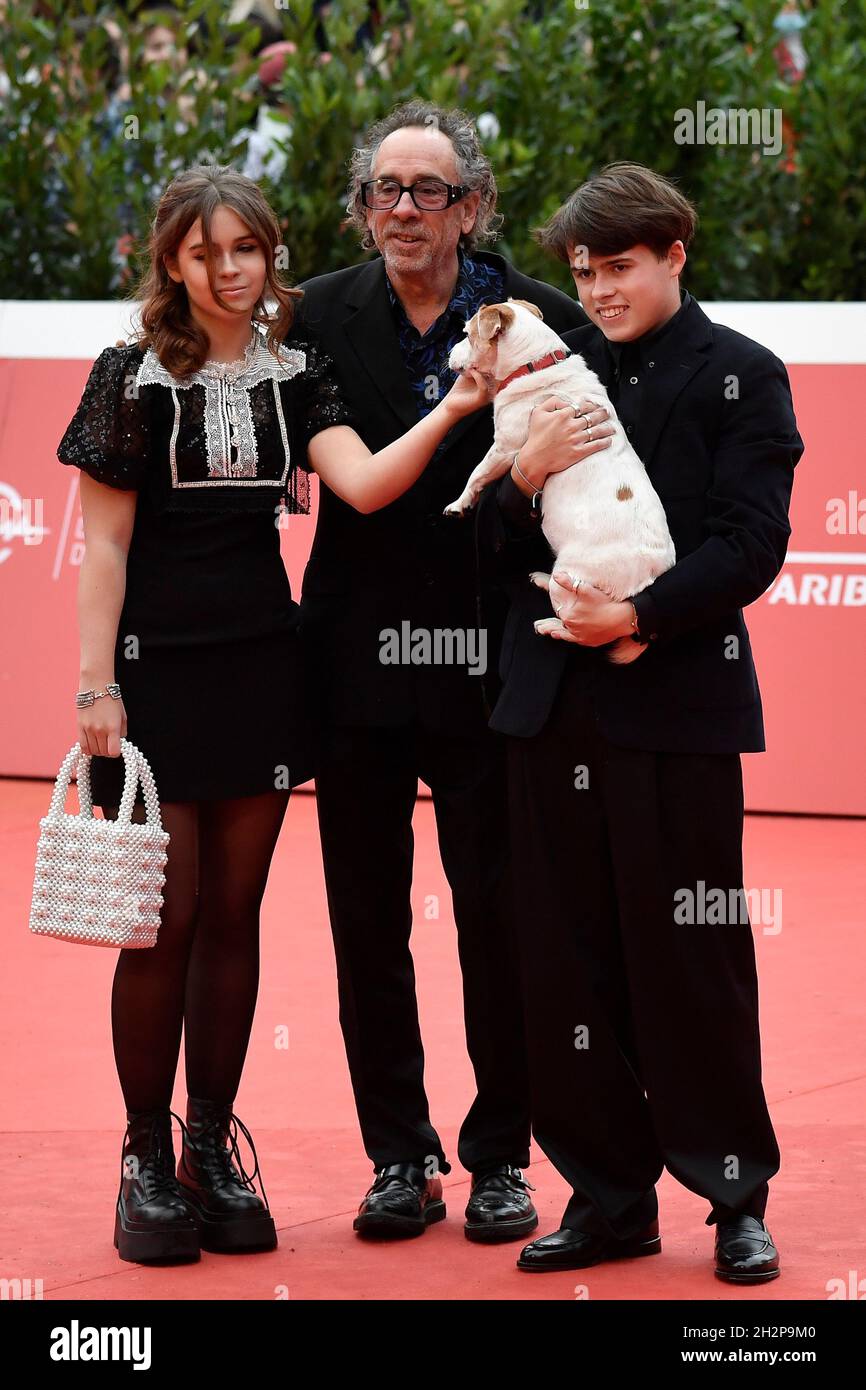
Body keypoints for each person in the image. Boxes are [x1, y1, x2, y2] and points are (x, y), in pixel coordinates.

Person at [57, 160, 493, 1266]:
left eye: (245, 248)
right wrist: (95, 685)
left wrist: (454, 406)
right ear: (172, 262)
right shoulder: (127, 376)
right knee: (166, 917)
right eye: (205, 252)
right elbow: (102, 546)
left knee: (236, 917)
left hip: (264, 667)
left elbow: (364, 486)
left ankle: (211, 1146)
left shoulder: (300, 373)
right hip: (153, 677)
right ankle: (143, 1159)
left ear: (269, 254)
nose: (229, 268)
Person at [476, 162, 804, 1280]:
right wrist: (519, 479)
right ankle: (607, 1197)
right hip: (549, 705)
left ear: (673, 254)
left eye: (617, 267)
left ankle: (732, 1196)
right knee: (563, 967)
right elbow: (490, 551)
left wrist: (643, 615)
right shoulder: (551, 368)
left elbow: (750, 541)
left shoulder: (742, 376)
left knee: (693, 960)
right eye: (581, 270)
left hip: (676, 709)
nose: (598, 289)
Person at [295, 100, 608, 1241]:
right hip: (350, 669)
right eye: (384, 189)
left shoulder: (541, 320)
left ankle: (501, 1158)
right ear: (361, 205)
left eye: (428, 189)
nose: (402, 210)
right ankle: (398, 1155)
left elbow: (606, 454)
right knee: (365, 921)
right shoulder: (316, 315)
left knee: (498, 918)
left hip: (494, 666)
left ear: (471, 205)